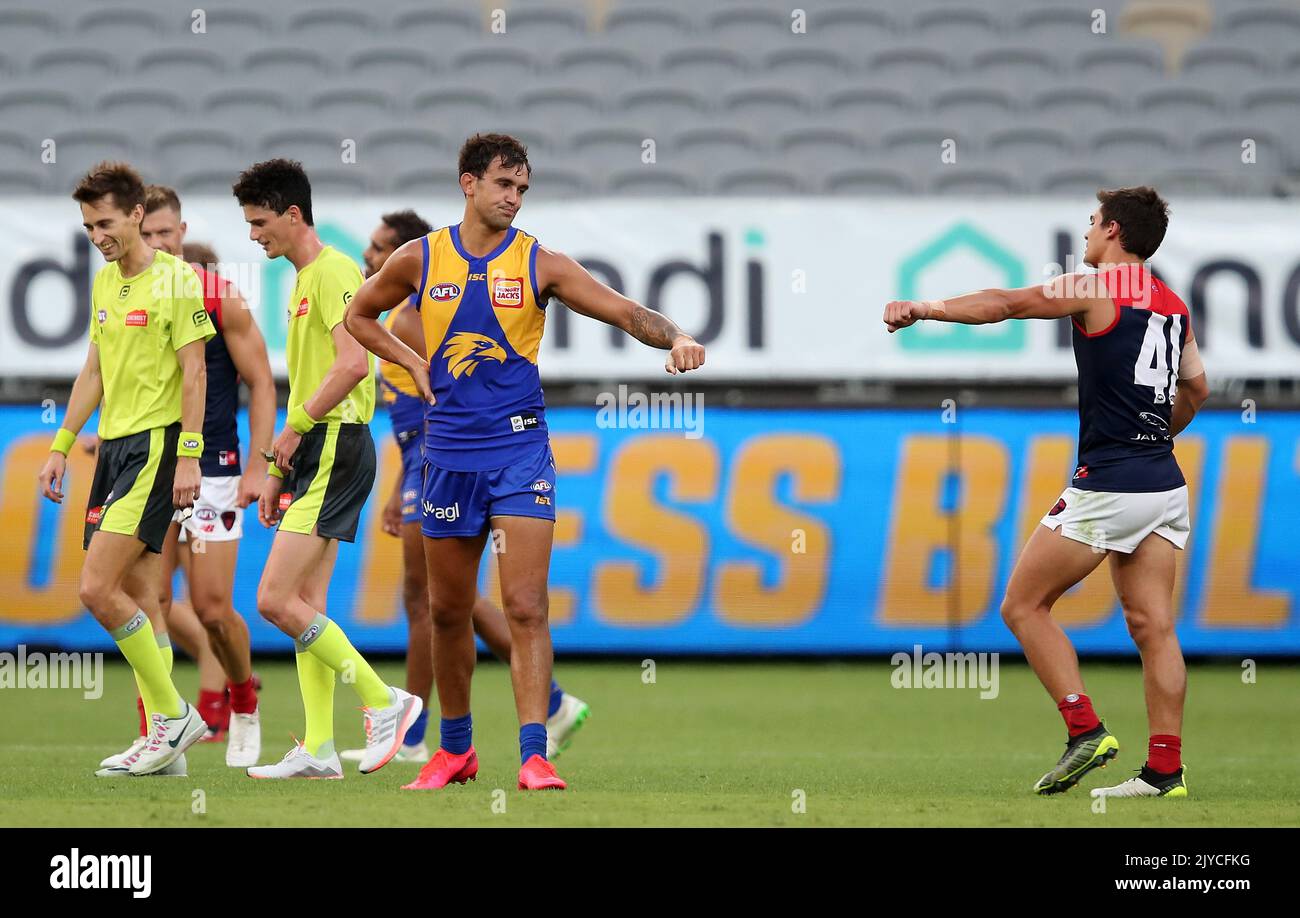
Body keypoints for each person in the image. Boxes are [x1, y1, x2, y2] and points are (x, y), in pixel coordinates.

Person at [345, 133, 705, 791]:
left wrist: (677, 334)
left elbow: (625, 311)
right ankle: (455, 752)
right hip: (446, 457)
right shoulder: (418, 259)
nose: (513, 198)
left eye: (522, 189)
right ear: (469, 183)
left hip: (519, 454)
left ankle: (534, 753)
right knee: (449, 612)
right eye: (503, 185)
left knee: (525, 606)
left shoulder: (539, 263)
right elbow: (358, 315)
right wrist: (413, 362)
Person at [882, 187, 1209, 799]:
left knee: (1023, 606)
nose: (1086, 234)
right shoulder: (1173, 305)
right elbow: (1197, 390)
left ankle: (1085, 730)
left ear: (1112, 231)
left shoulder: (1094, 289)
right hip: (1163, 484)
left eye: (1091, 223)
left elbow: (1006, 303)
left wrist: (927, 308)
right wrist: (1154, 434)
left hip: (1109, 483)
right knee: (1154, 627)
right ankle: (1166, 770)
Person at [339, 210, 589, 766]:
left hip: (453, 460)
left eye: (380, 249)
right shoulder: (403, 309)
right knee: (444, 603)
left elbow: (442, 405)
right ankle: (520, 713)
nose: (369, 259)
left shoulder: (414, 316)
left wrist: (405, 478)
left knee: (440, 602)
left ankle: (422, 731)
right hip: (432, 464)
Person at [232, 158, 420, 779]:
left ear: (292, 214)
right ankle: (317, 748)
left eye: (260, 222)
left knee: (274, 599)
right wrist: (281, 466)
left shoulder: (335, 270)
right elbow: (313, 378)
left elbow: (352, 367)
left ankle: (384, 700)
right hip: (315, 448)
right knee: (307, 602)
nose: (254, 235)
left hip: (335, 443)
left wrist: (294, 432)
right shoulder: (304, 277)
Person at [39, 161, 214, 777]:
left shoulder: (178, 281)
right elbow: (95, 369)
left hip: (157, 447)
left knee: (95, 589)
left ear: (138, 213)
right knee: (142, 594)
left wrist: (189, 456)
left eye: (105, 223)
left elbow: (196, 373)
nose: (97, 235)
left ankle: (172, 718)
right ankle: (167, 753)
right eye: (88, 226)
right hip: (112, 450)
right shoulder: (107, 282)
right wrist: (62, 443)